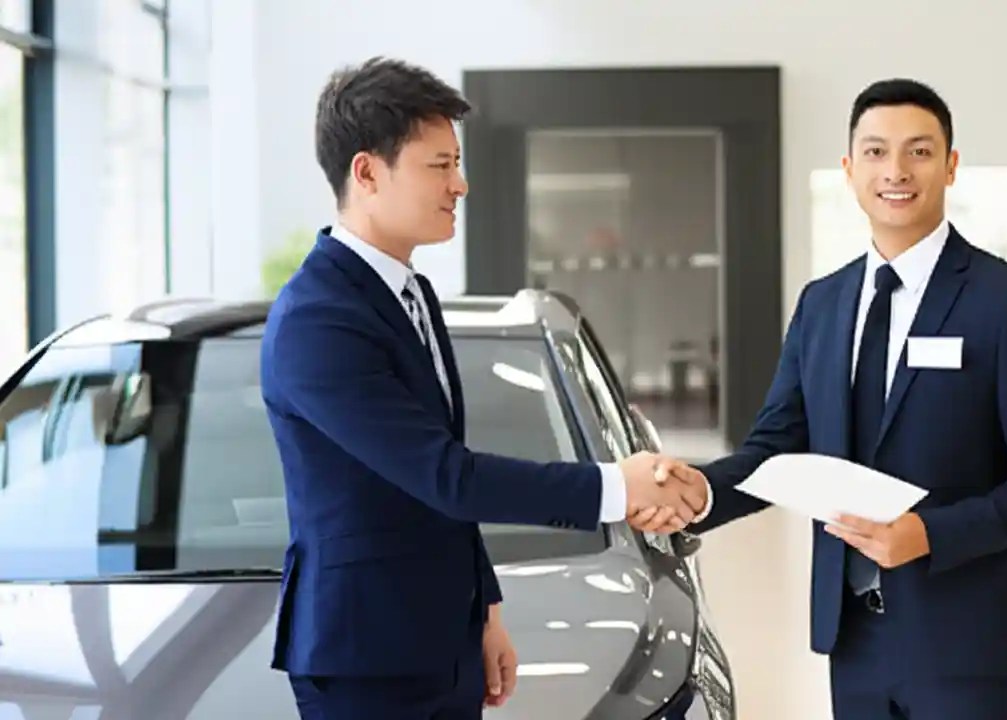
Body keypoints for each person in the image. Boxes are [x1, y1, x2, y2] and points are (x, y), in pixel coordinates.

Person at [259, 57, 710, 720]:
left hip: (441, 638)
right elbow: (448, 476)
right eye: (439, 166)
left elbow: (433, 485)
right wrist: (618, 486)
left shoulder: (410, 295)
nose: (460, 185)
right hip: (367, 658)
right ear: (367, 172)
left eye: (457, 163)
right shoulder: (317, 320)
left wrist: (483, 608)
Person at [642, 78, 1007, 719]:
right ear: (850, 170)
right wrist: (697, 494)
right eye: (875, 153)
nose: (896, 171)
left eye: (919, 151)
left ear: (951, 165)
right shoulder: (823, 304)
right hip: (854, 638)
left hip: (965, 642)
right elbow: (776, 446)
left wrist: (929, 534)